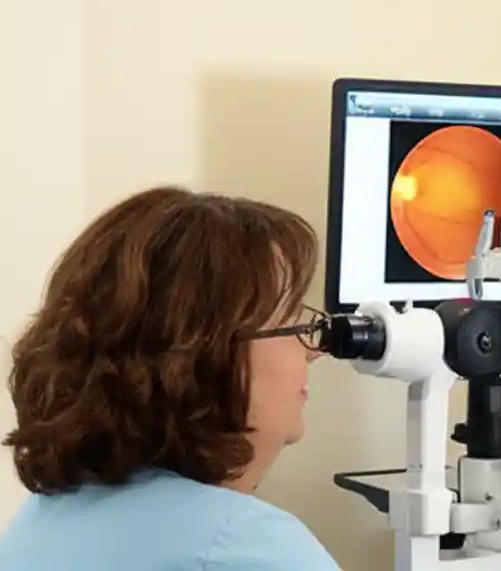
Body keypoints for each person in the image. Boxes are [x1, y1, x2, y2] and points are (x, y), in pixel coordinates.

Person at [0, 186, 342, 569]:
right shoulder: (243, 546)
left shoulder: (41, 520)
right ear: (210, 355)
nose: (314, 351)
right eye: (294, 323)